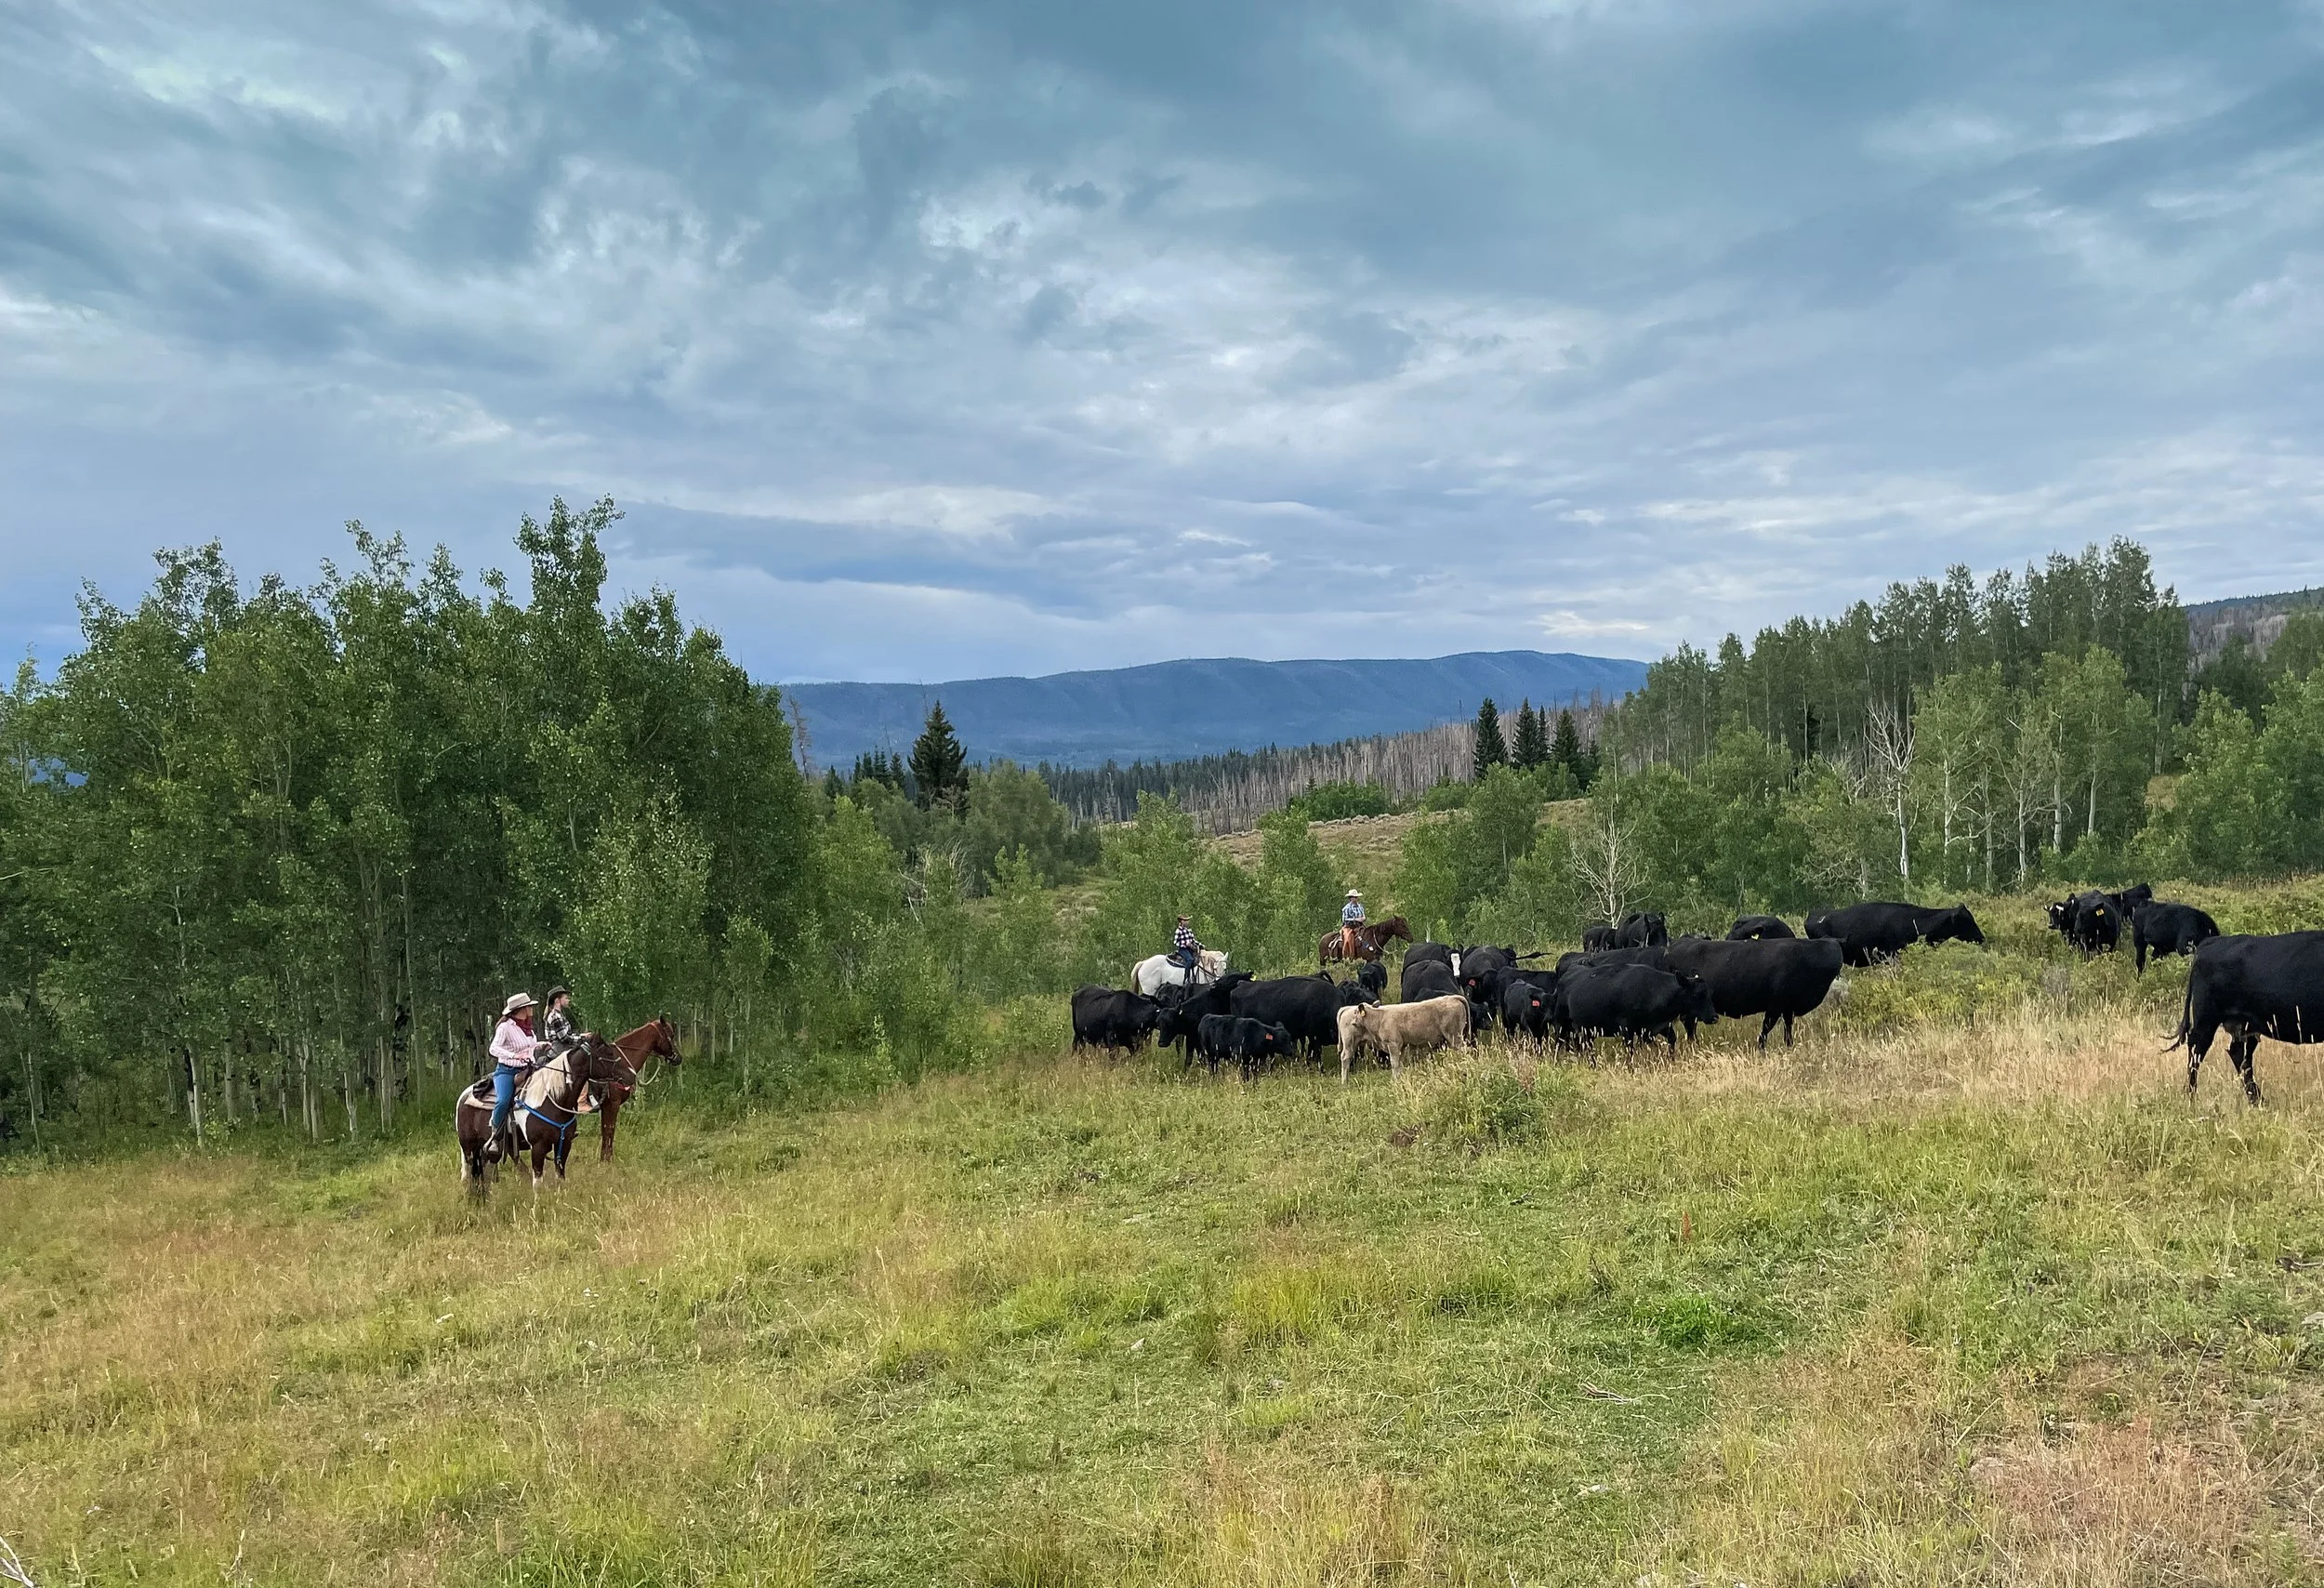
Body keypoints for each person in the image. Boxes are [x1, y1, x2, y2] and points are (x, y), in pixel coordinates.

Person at [485, 991, 537, 1158]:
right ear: (521, 1009)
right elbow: (493, 1048)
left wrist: (541, 1045)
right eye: (529, 1006)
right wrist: (514, 1056)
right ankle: (495, 1135)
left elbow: (528, 1047)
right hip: (507, 1071)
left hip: (528, 1069)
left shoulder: (527, 1027)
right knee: (503, 1100)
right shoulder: (505, 1027)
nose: (531, 1009)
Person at [1171, 914, 1203, 978]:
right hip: (1182, 949)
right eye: (1185, 920)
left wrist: (1200, 945)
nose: (1187, 922)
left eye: (1187, 920)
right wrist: (1185, 943)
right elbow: (1176, 942)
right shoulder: (1178, 931)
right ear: (1182, 921)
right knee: (1190, 959)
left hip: (1189, 949)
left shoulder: (1188, 931)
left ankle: (1194, 976)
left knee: (1198, 958)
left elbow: (1193, 940)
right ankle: (1186, 977)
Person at [1340, 890, 1367, 960]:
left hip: (1359, 926)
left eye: (1357, 897)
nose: (1356, 898)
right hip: (1349, 927)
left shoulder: (1360, 907)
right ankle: (1349, 957)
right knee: (1348, 938)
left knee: (1367, 934)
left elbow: (1363, 916)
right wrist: (1355, 919)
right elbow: (1345, 919)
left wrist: (1363, 918)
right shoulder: (1346, 908)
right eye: (1355, 897)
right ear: (1351, 898)